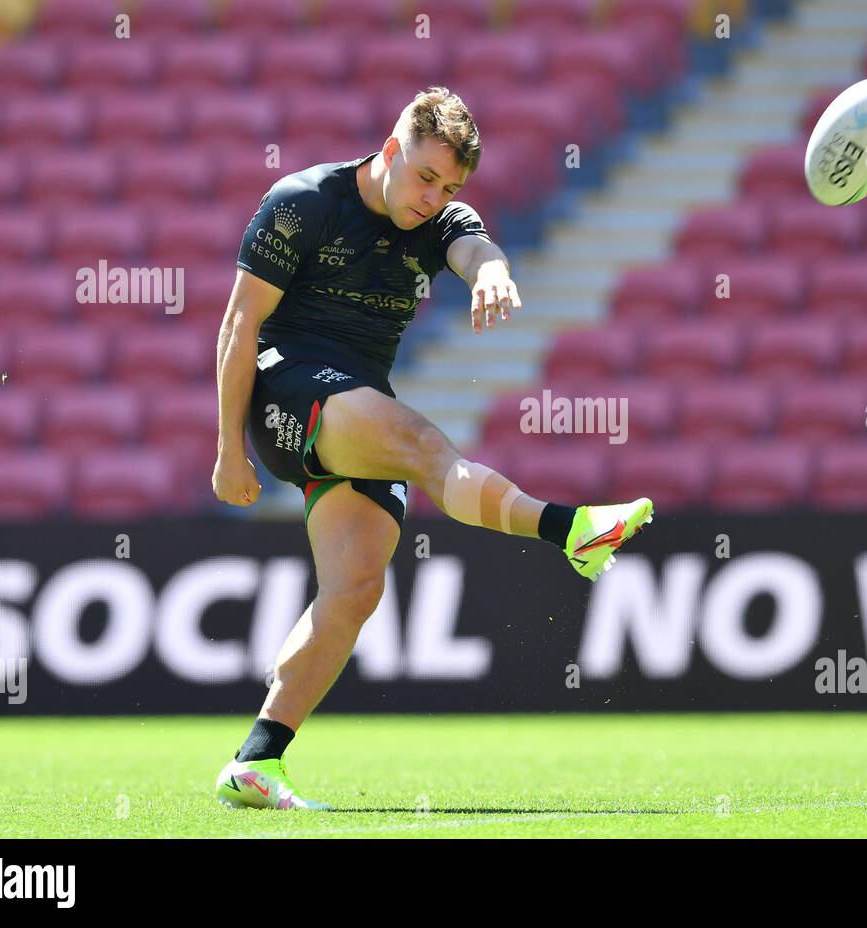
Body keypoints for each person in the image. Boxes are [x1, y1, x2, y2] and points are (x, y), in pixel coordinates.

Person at [210, 87, 653, 810]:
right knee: (420, 442)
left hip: (354, 407)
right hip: (284, 387)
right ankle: (569, 529)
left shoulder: (441, 218)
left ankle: (256, 762)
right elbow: (238, 326)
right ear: (390, 151)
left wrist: (494, 273)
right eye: (424, 177)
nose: (433, 197)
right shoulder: (303, 201)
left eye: (449, 186)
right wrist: (229, 448)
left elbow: (473, 247)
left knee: (355, 589)